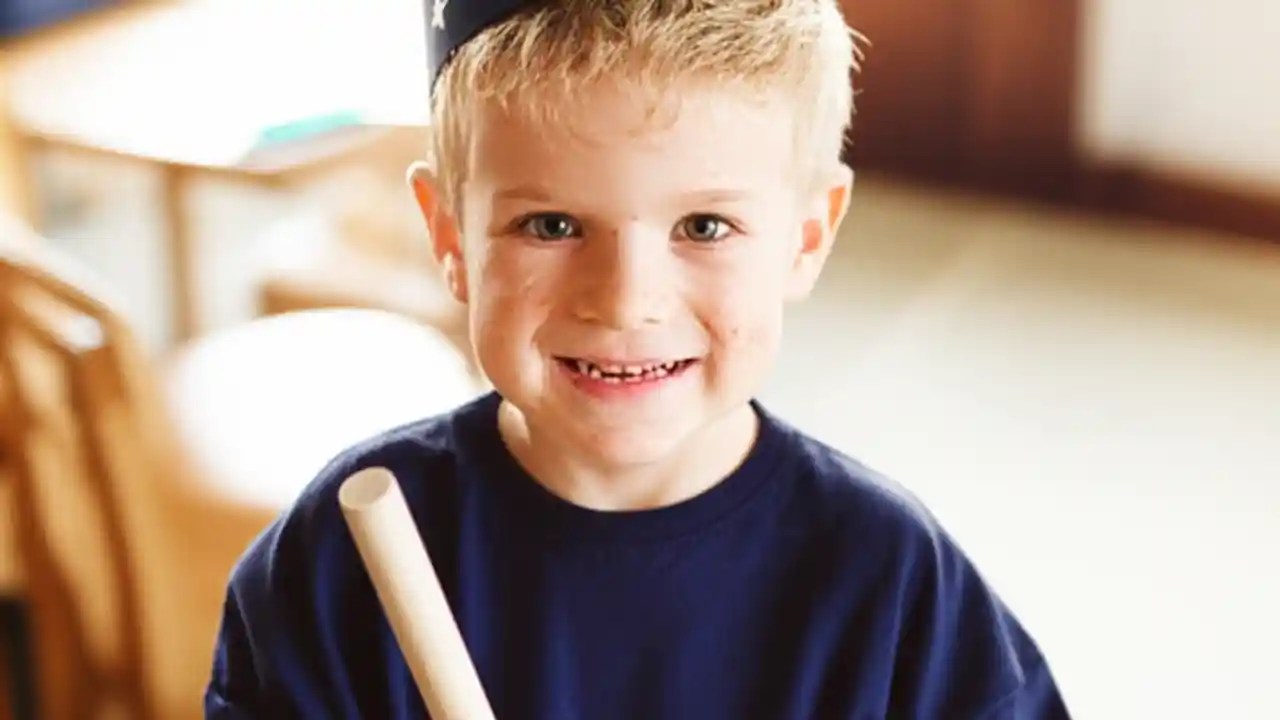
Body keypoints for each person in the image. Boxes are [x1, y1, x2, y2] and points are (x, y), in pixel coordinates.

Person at [205, 0, 1071, 717]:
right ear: (449, 236)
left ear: (807, 237)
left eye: (704, 227)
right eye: (550, 226)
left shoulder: (887, 585)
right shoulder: (337, 565)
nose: (622, 300)